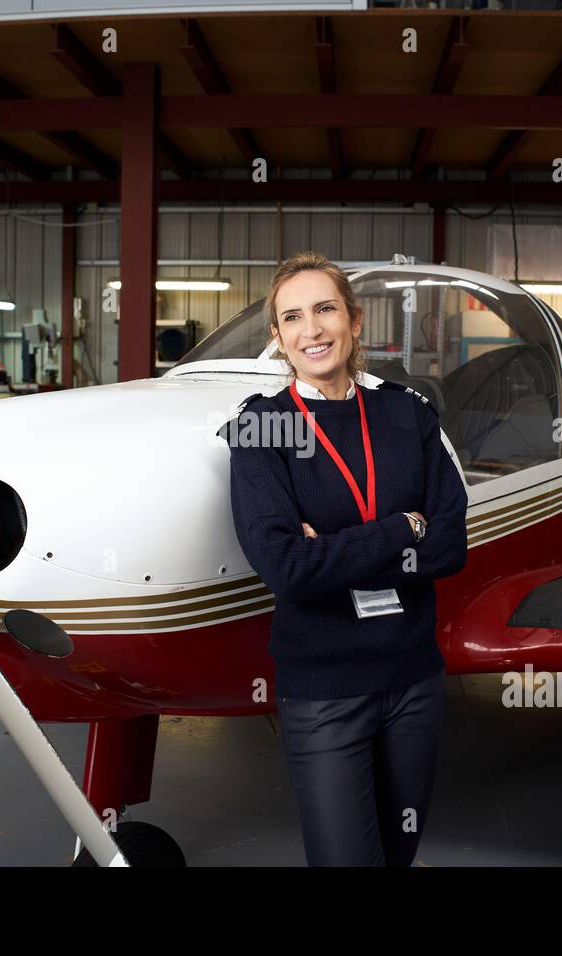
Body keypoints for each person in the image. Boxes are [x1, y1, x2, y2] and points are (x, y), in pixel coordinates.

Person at [219, 250, 469, 866]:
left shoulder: (406, 414)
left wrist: (330, 549)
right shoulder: (261, 429)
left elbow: (449, 544)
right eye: (293, 317)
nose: (313, 330)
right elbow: (287, 569)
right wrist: (400, 529)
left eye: (326, 309)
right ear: (278, 338)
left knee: (398, 854)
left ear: (355, 321)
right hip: (324, 690)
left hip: (413, 679)